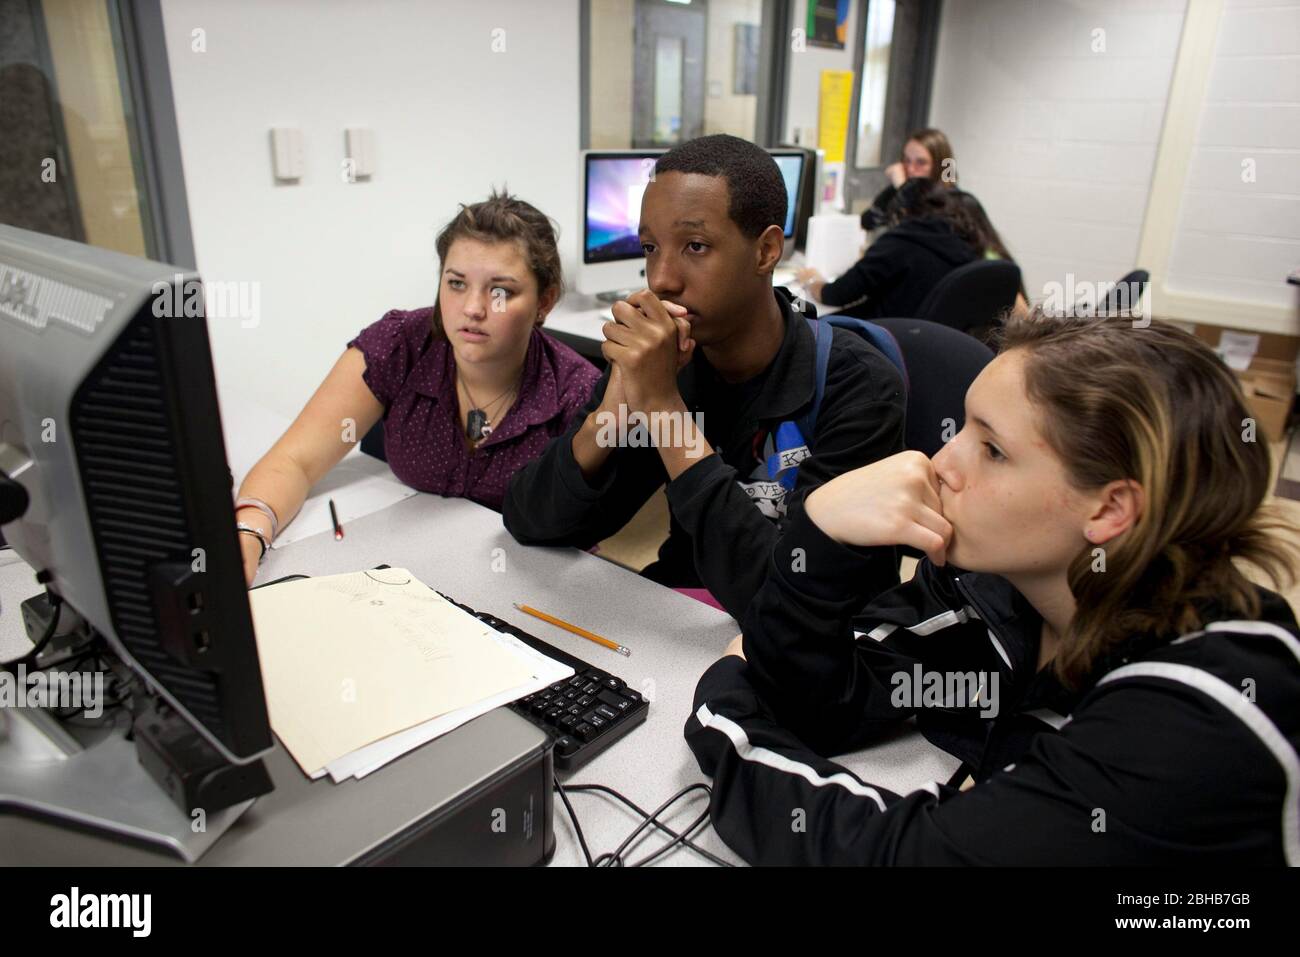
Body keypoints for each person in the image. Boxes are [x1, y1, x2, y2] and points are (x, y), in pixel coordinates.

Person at [685, 309, 1300, 865]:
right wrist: (818, 539)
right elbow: (827, 707)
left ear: (1110, 510)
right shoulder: (1002, 594)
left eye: (993, 450)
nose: (940, 462)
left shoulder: (1200, 710)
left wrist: (723, 706)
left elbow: (895, 857)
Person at [503, 134, 905, 621]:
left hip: (808, 654)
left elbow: (789, 601)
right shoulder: (670, 363)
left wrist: (665, 411)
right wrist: (609, 417)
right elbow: (534, 523)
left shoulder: (859, 386)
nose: (662, 278)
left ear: (766, 251)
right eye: (650, 247)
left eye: (695, 246)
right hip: (687, 616)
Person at [233, 191, 599, 585]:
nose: (473, 308)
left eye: (500, 292)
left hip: (529, 583)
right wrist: (249, 533)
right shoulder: (399, 344)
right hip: (407, 568)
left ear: (545, 300)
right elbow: (295, 461)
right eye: (456, 283)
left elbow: (581, 539)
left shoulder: (577, 393)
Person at [796, 177, 981, 319]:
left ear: (902, 213)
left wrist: (812, 280)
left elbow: (835, 295)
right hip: (928, 338)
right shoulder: (963, 239)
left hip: (885, 335)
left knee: (797, 309)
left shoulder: (900, 241)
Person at [861, 127, 957, 231]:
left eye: (921, 162)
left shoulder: (951, 200)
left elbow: (916, 230)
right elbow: (867, 221)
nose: (910, 169)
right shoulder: (903, 188)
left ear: (939, 166)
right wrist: (899, 189)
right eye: (906, 160)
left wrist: (902, 188)